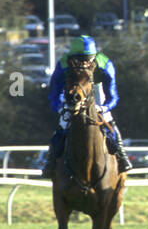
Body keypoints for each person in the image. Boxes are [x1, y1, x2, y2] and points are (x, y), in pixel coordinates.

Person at [41, 35, 132, 178]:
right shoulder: (63, 64)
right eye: (79, 59)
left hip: (97, 92)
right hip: (73, 93)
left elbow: (113, 96)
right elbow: (54, 92)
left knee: (109, 122)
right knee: (63, 125)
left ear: (94, 56)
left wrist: (103, 108)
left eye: (87, 59)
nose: (84, 63)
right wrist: (60, 108)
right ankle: (50, 161)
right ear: (72, 58)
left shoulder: (105, 64)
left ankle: (121, 156)